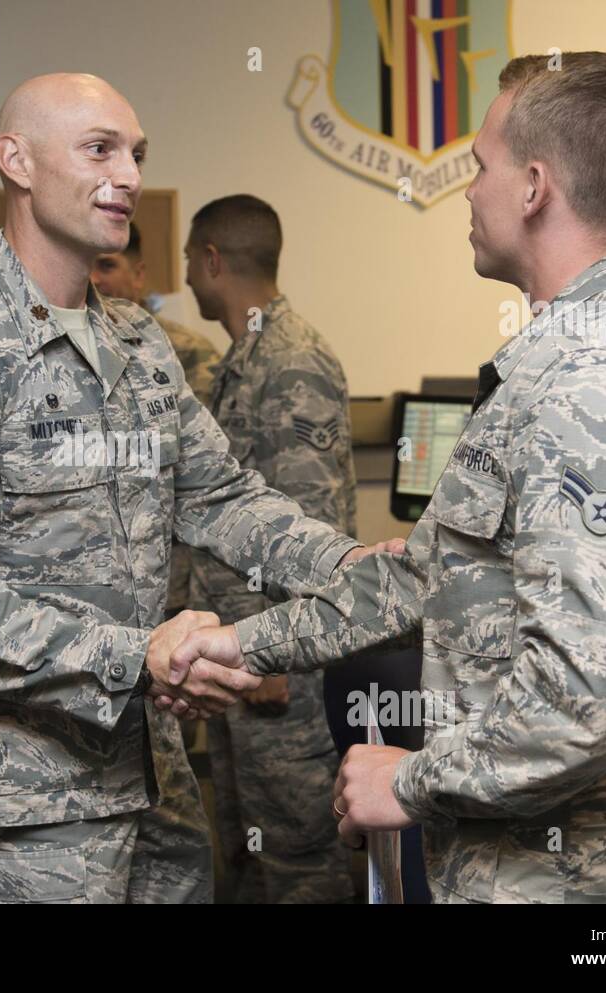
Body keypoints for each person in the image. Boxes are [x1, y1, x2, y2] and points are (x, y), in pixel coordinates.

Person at [174, 52, 606, 904]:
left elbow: (593, 688)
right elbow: (426, 571)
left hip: (594, 886)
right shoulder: (554, 367)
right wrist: (242, 644)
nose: (469, 192)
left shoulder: (596, 382)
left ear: (535, 187)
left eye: (480, 168)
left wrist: (407, 780)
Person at [0, 71, 387, 904]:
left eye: (137, 154)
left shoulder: (137, 341)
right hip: (32, 808)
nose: (131, 175)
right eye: (100, 149)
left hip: (158, 777)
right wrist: (130, 656)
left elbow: (219, 495)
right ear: (17, 161)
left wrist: (349, 558)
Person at [183, 193, 358, 903]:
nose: (188, 278)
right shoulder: (246, 356)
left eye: (192, 261)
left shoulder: (290, 361)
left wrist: (275, 651)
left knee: (297, 852)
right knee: (247, 840)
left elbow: (308, 521)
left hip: (280, 668)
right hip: (240, 655)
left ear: (213, 260)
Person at [91, 222, 220, 619]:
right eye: (87, 267)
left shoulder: (183, 352)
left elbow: (204, 475)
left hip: (170, 581)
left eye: (108, 266)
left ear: (139, 275)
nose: (95, 279)